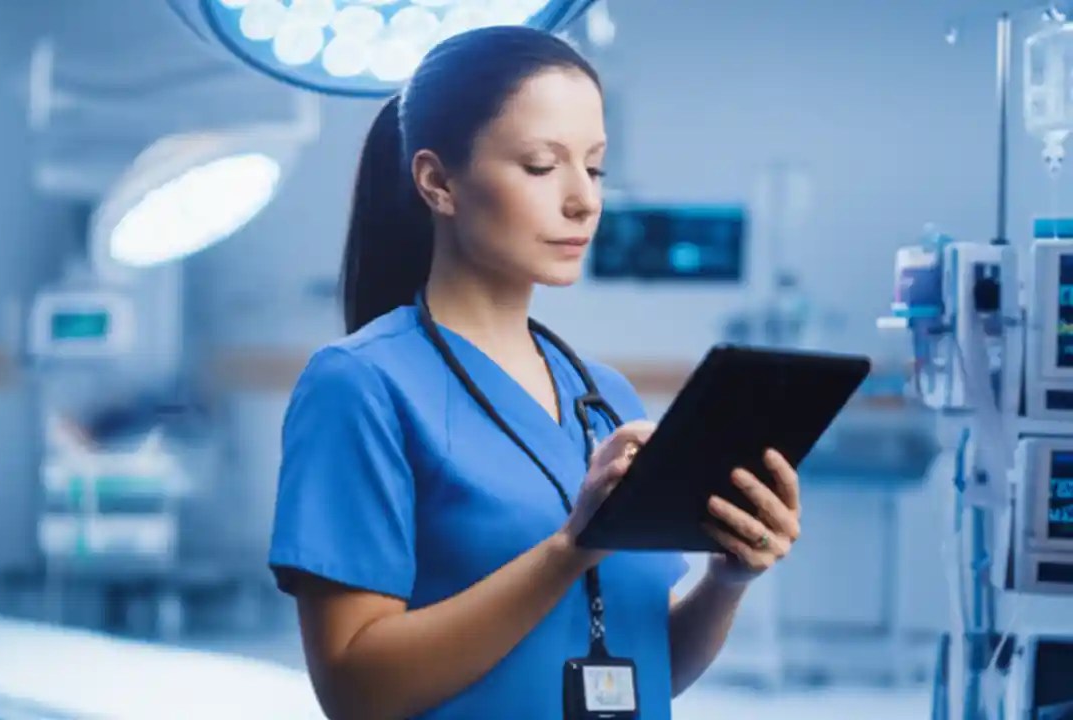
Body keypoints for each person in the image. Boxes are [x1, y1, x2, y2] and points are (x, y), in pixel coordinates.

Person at [267, 25, 803, 720]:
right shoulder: (359, 386)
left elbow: (648, 663)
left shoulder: (603, 398)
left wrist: (730, 579)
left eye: (595, 167)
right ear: (438, 182)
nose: (584, 199)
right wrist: (567, 552)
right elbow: (356, 690)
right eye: (543, 166)